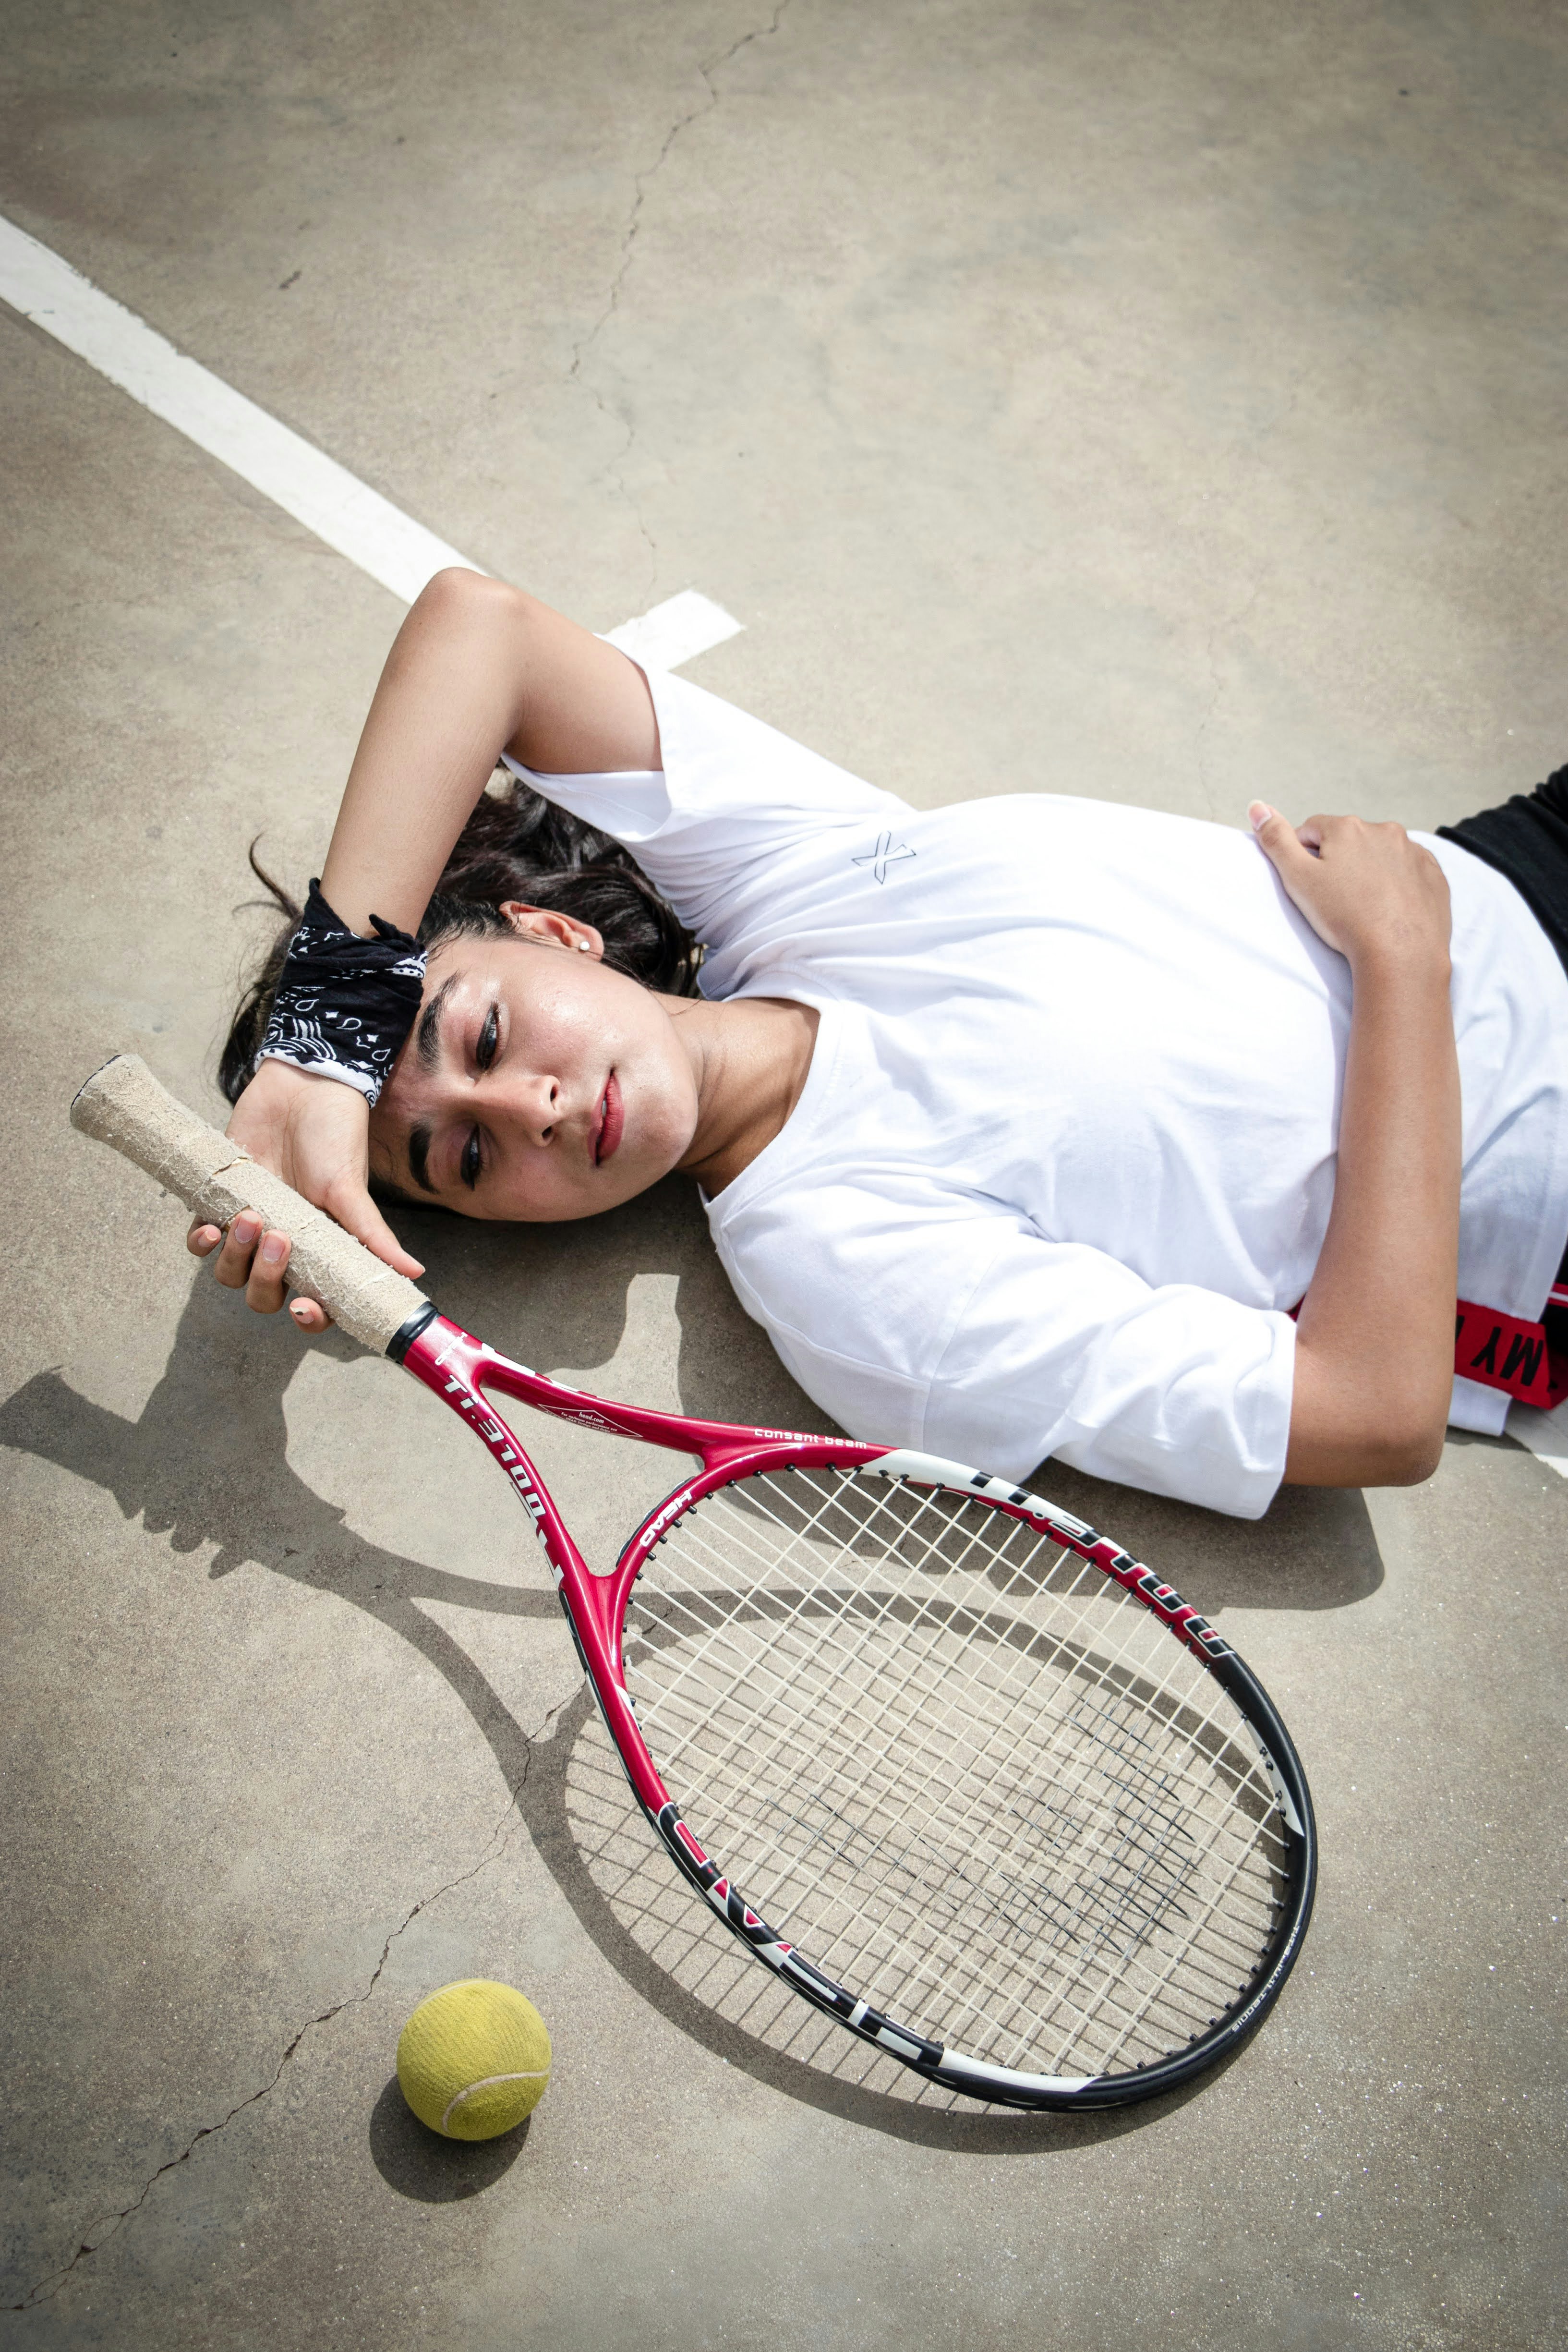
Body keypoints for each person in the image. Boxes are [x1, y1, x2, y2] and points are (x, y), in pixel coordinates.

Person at [191, 569, 1568, 1518]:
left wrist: (326, 1033)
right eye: (467, 1160)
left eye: (481, 1035)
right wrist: (1398, 962)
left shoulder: (784, 880)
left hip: (1515, 872)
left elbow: (477, 627)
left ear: (555, 935)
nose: (529, 1109)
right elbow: (1373, 1413)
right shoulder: (847, 1279)